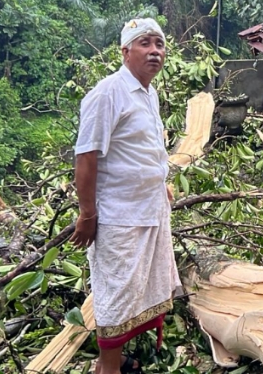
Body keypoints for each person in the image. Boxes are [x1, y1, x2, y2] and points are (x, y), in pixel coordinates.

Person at [70, 18, 181, 374]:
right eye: (145, 43)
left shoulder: (150, 93)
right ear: (125, 51)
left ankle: (117, 361)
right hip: (119, 215)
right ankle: (108, 367)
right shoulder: (107, 93)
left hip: (149, 209)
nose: (154, 51)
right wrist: (87, 214)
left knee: (140, 288)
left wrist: (159, 181)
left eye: (159, 45)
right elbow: (87, 154)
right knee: (117, 294)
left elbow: (142, 148)